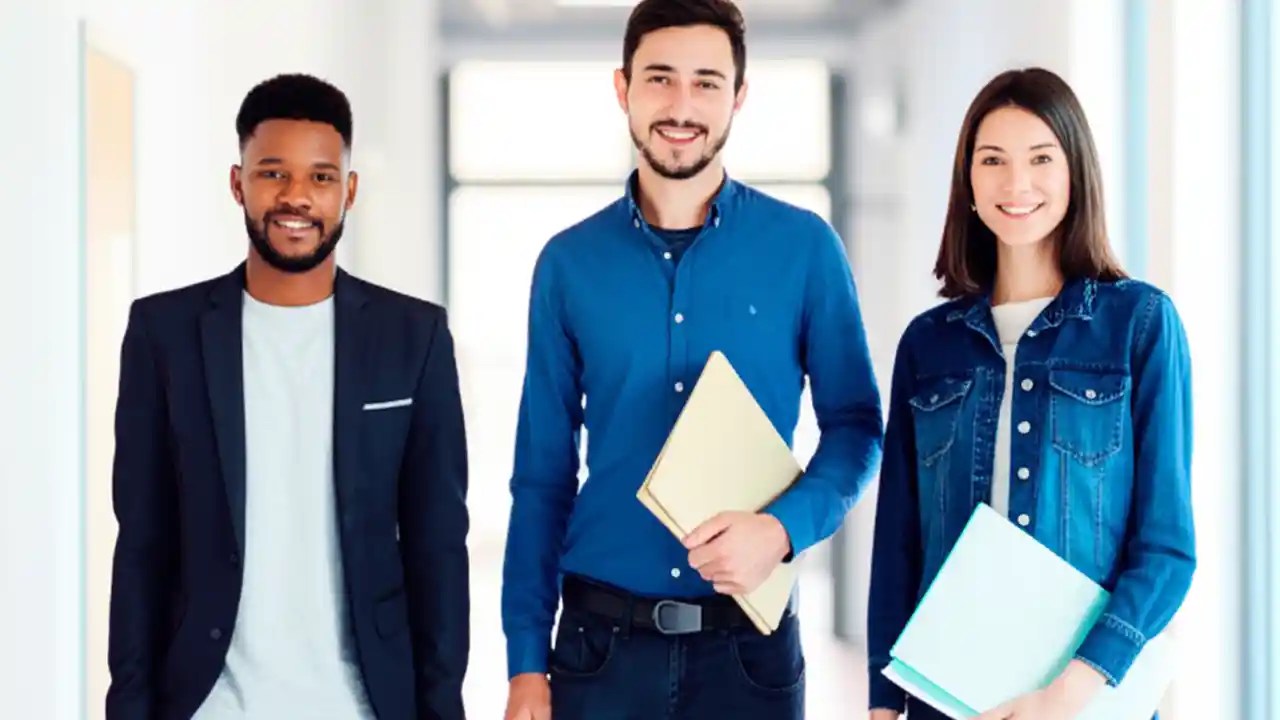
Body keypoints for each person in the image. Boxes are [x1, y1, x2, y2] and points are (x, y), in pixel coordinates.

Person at [499, 1, 884, 719]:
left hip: (749, 655)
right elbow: (542, 476)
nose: (682, 105)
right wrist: (525, 662)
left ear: (739, 96)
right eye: (660, 79)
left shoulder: (804, 252)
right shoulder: (568, 266)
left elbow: (858, 429)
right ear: (623, 89)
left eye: (707, 82)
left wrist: (782, 529)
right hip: (598, 653)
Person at [105, 73, 469, 720]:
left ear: (349, 190)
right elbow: (142, 544)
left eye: (321, 177)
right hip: (208, 703)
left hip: (361, 703)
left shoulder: (413, 337)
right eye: (273, 173)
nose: (296, 197)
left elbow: (437, 545)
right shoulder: (164, 334)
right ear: (237, 182)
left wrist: (442, 707)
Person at [867, 67, 1195, 720]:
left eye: (1041, 158)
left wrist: (1065, 694)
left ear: (1076, 171)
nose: (1016, 184)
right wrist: (883, 707)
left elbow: (1166, 551)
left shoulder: (1141, 326)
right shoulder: (927, 346)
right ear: (968, 181)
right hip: (946, 694)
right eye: (993, 160)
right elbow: (898, 546)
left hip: (1085, 701)